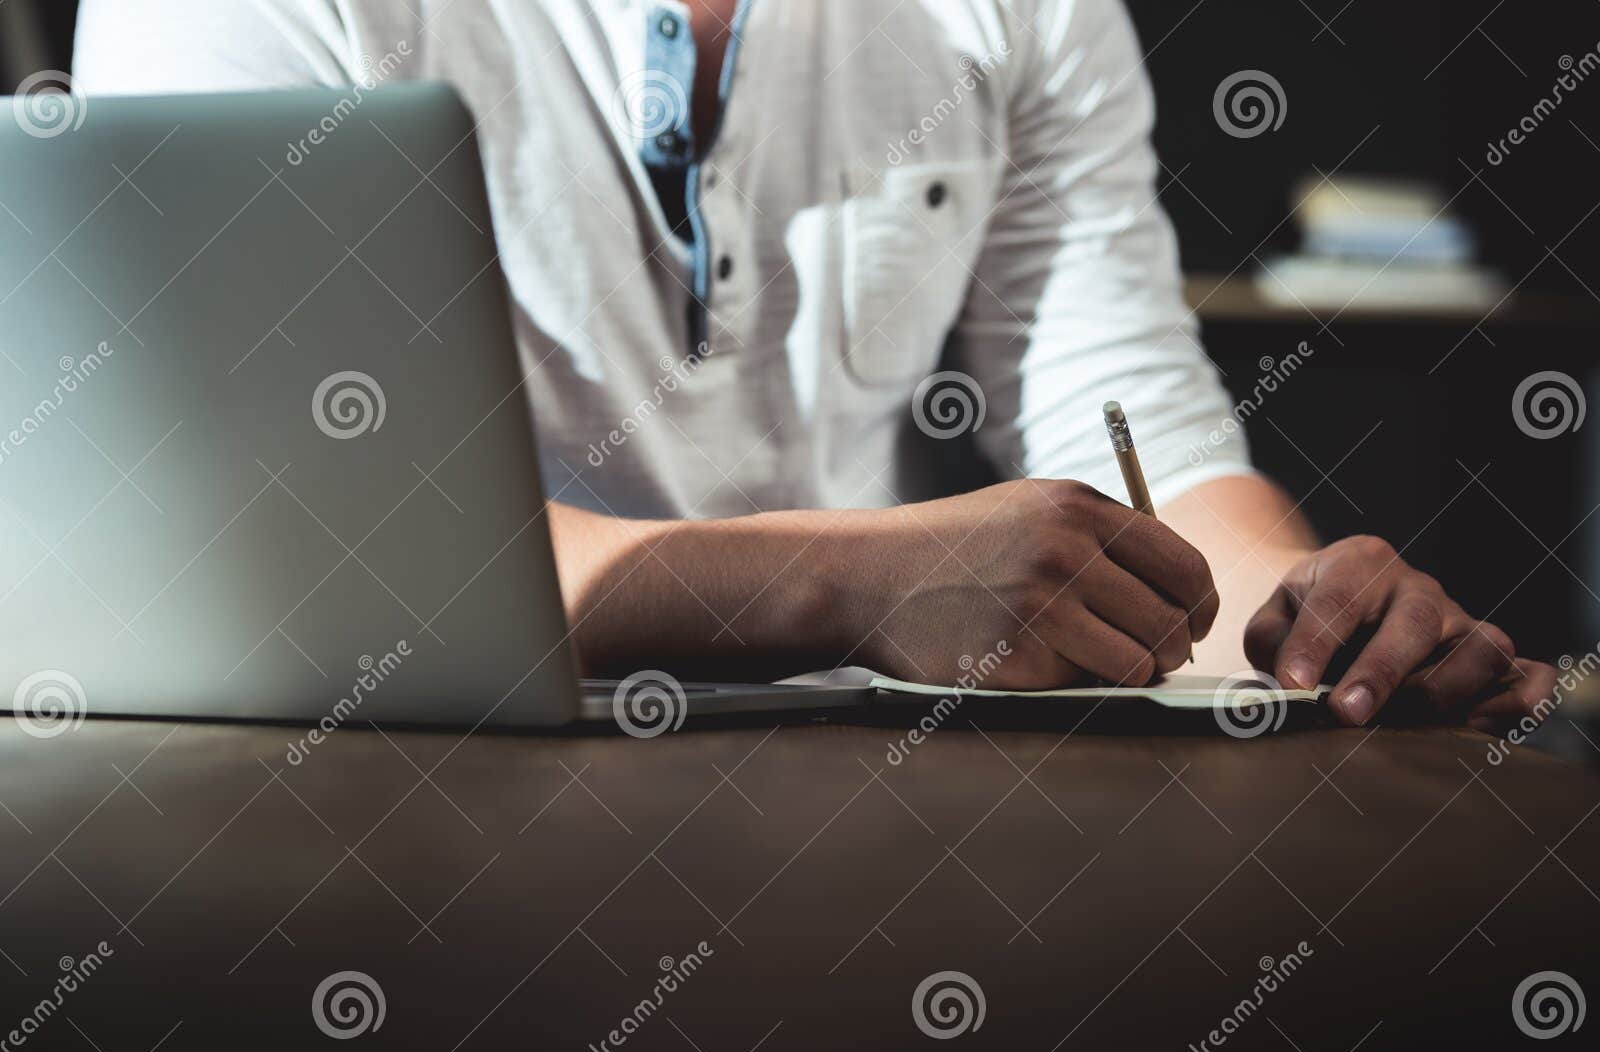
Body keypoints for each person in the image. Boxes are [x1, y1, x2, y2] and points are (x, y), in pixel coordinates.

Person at [72, 0, 1556, 728]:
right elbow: (266, 535)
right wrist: (849, 578)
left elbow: (1141, 424)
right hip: (396, 785)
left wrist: (1304, 631)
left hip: (846, 789)